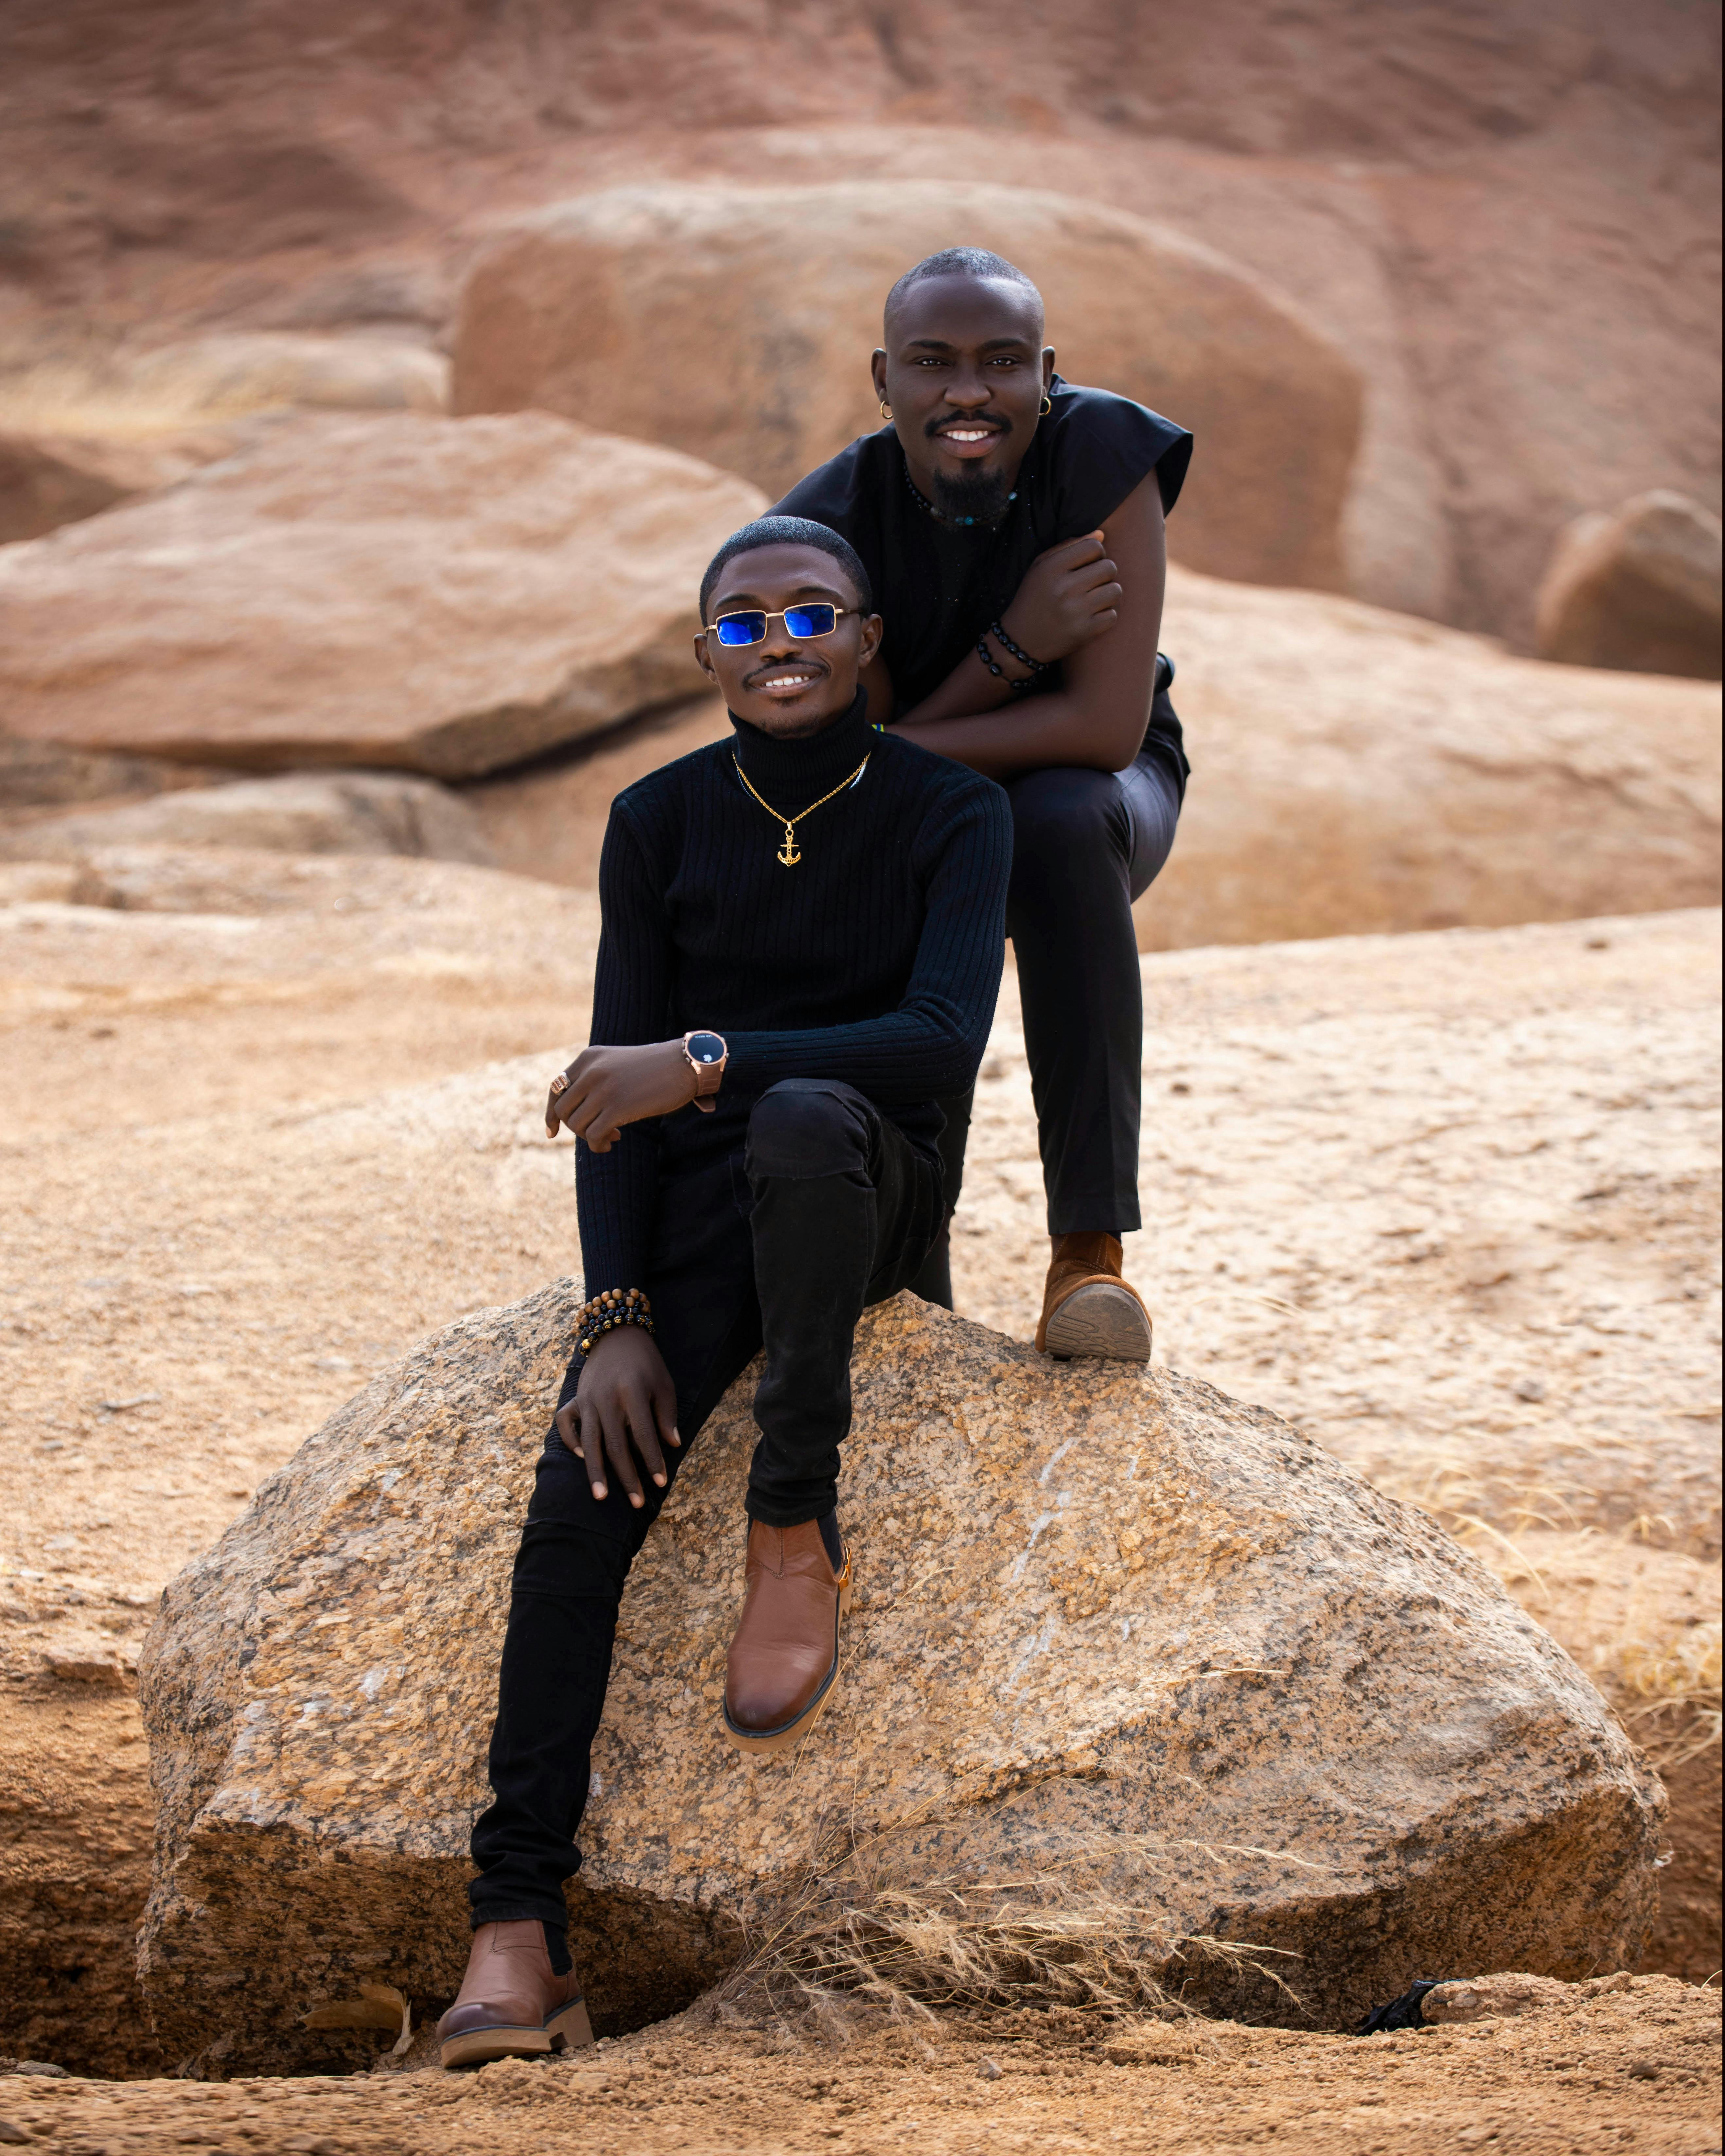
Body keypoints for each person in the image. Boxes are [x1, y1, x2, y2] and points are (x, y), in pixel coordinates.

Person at [435, 515, 1012, 2069]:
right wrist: (612, 1315)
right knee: (575, 1514)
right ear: (707, 658)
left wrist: (706, 1059)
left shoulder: (952, 813)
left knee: (801, 1113)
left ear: (866, 634)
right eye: (743, 626)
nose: (781, 646)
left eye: (811, 615)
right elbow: (612, 1100)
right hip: (700, 1221)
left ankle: (788, 1512)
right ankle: (516, 1933)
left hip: (864, 1185)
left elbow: (935, 1041)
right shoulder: (657, 819)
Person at [776, 247, 1193, 1364]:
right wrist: (1015, 649)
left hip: (1101, 788)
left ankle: (1086, 1260)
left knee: (1053, 820)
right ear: (883, 379)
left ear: (1045, 374)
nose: (969, 391)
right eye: (934, 363)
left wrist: (897, 737)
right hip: (921, 811)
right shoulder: (828, 530)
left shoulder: (1105, 454)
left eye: (1002, 362)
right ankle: (911, 1270)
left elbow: (1103, 732)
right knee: (899, 854)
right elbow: (853, 781)